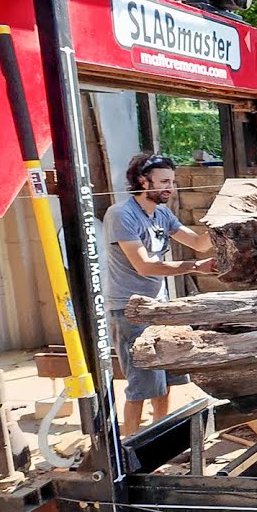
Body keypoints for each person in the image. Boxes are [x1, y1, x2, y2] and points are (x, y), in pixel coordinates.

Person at [104, 153, 217, 435]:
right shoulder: (121, 215)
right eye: (164, 181)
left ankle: (157, 435)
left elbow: (199, 244)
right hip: (130, 310)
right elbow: (144, 265)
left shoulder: (162, 214)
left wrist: (221, 221)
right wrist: (195, 267)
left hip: (159, 307)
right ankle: (131, 447)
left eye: (173, 181)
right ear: (144, 181)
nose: (171, 187)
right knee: (141, 383)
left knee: (165, 379)